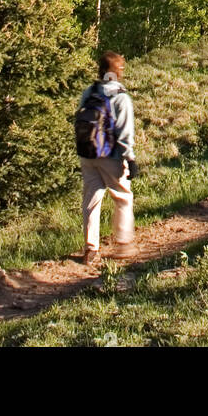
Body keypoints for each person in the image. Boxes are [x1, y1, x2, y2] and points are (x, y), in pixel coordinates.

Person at [75, 51, 139, 266]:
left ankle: (90, 249)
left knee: (91, 200)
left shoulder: (89, 91)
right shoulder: (121, 97)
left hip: (87, 154)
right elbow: (125, 132)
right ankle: (123, 243)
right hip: (110, 155)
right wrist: (130, 158)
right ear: (116, 71)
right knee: (122, 197)